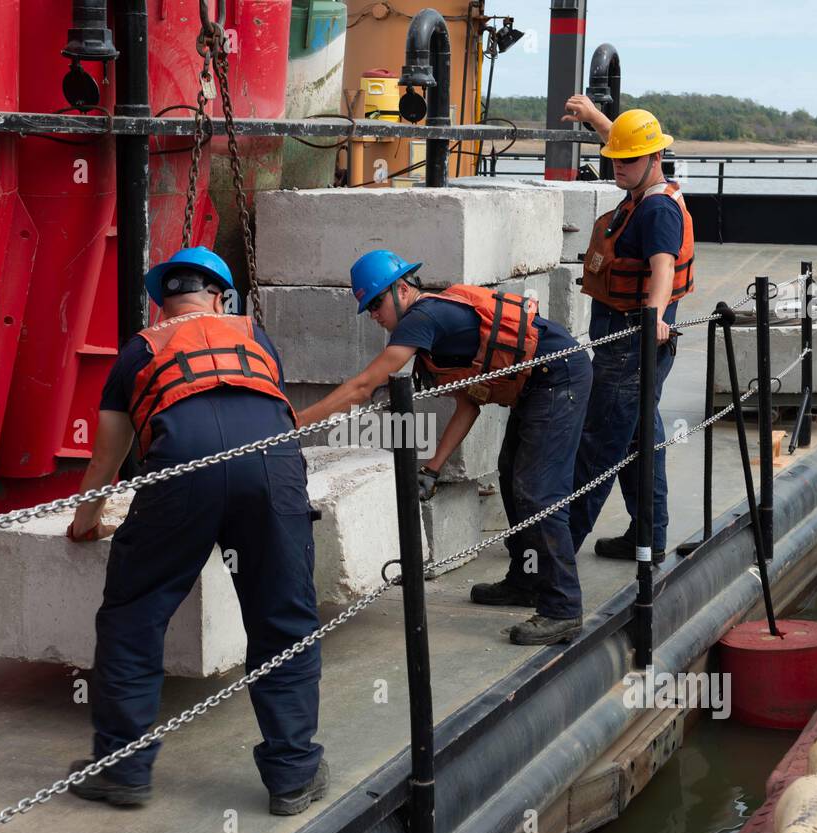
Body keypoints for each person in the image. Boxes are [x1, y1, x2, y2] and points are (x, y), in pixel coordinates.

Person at [65, 246, 328, 815]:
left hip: (183, 474)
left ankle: (124, 771)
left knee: (134, 616)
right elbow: (264, 408)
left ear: (162, 304)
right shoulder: (255, 338)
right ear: (220, 297)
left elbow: (107, 456)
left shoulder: (141, 348)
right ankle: (292, 776)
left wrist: (86, 520)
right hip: (272, 467)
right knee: (283, 617)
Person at [298, 250, 593, 646]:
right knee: (512, 478)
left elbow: (363, 386)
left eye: (376, 303)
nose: (374, 315)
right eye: (367, 309)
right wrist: (433, 468)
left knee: (538, 492)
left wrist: (296, 422)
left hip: (559, 377)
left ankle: (563, 608)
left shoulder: (422, 319)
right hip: (540, 382)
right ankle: (527, 580)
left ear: (402, 289)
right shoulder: (437, 330)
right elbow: (470, 401)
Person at [559, 103, 696, 563]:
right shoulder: (644, 185)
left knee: (596, 448)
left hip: (631, 344)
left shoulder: (657, 211)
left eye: (629, 161)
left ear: (655, 159)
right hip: (632, 344)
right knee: (640, 440)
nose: (618, 167)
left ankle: (550, 564)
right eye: (614, 158)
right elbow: (625, 144)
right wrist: (596, 117)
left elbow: (662, 268)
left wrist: (653, 318)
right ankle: (648, 537)